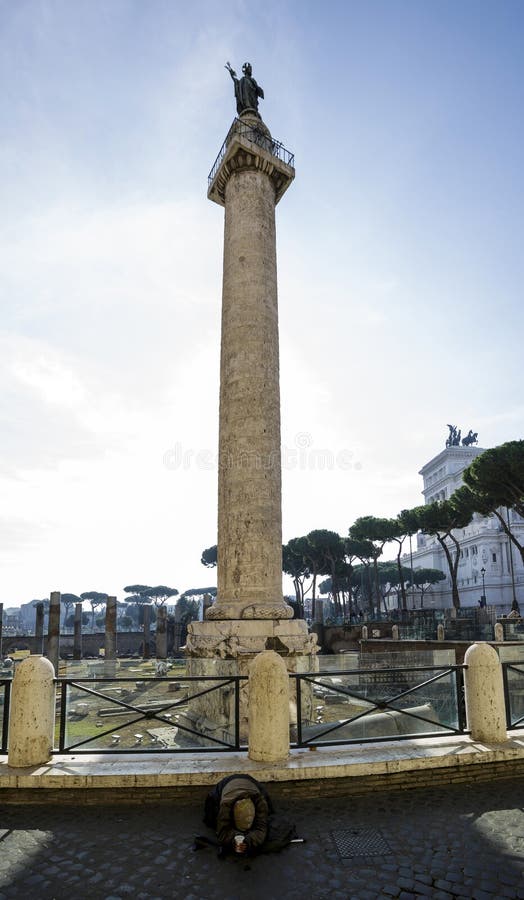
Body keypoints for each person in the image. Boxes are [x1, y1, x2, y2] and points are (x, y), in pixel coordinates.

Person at [204, 774, 271, 855]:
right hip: (226, 784)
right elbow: (223, 831)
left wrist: (248, 841)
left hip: (250, 782)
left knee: (270, 814)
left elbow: (261, 827)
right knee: (211, 819)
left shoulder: (260, 802)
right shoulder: (225, 807)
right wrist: (233, 841)